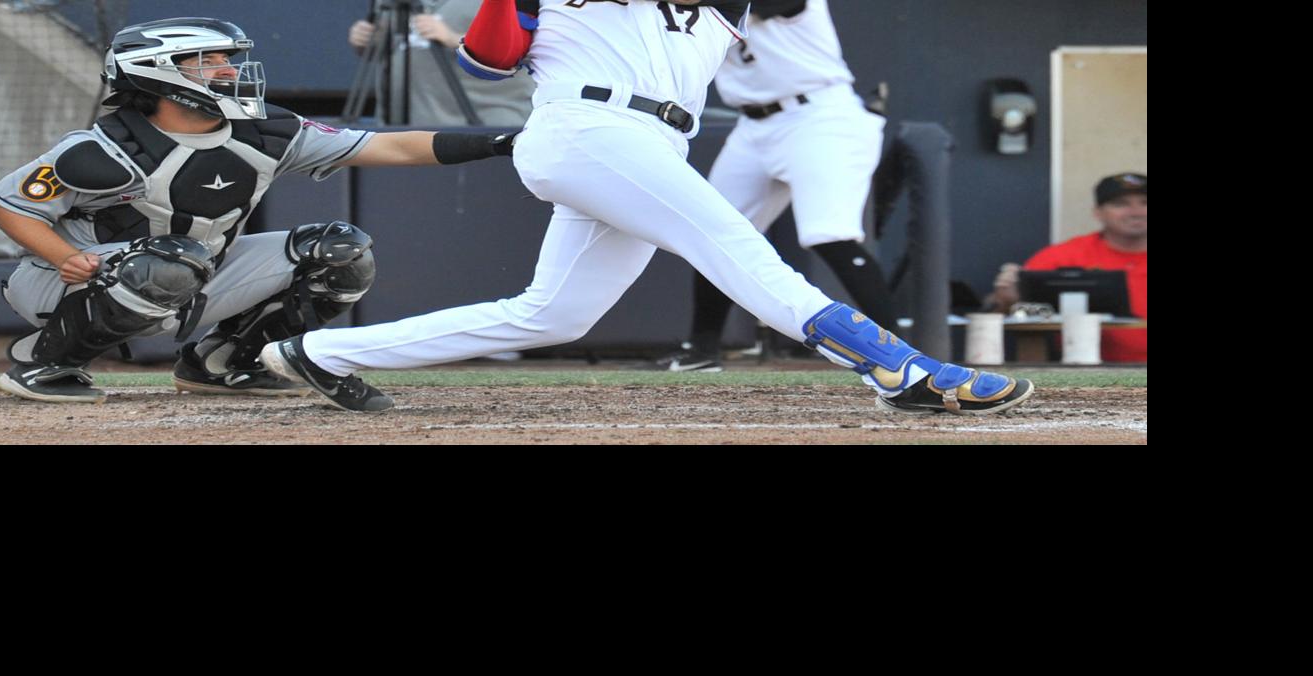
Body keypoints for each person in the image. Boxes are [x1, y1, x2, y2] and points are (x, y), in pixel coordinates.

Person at [261, 0, 1032, 416]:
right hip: (585, 127)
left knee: (552, 316)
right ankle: (896, 368)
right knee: (737, 246)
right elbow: (487, 57)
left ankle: (321, 354)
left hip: (652, 142)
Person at [0, 17, 516, 405]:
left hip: (192, 271)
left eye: (227, 60)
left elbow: (391, 147)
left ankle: (220, 364)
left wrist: (495, 143)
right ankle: (47, 361)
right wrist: (64, 255)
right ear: (158, 74)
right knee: (172, 259)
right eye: (209, 61)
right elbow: (4, 203)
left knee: (340, 252)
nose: (227, 70)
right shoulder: (102, 148)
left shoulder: (267, 133)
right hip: (69, 282)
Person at [657, 0, 894, 373]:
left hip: (819, 115)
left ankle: (901, 348)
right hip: (753, 126)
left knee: (829, 234)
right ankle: (701, 349)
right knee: (713, 230)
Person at [991, 172, 1147, 362]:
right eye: (1121, 204)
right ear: (1098, 212)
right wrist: (1008, 299)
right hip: (1085, 372)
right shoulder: (1064, 256)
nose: (1137, 212)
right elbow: (1010, 310)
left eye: (1144, 202)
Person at [348, 0, 536, 127]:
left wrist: (453, 38)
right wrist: (368, 40)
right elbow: (392, 45)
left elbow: (531, 47)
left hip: (484, 123)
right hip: (403, 125)